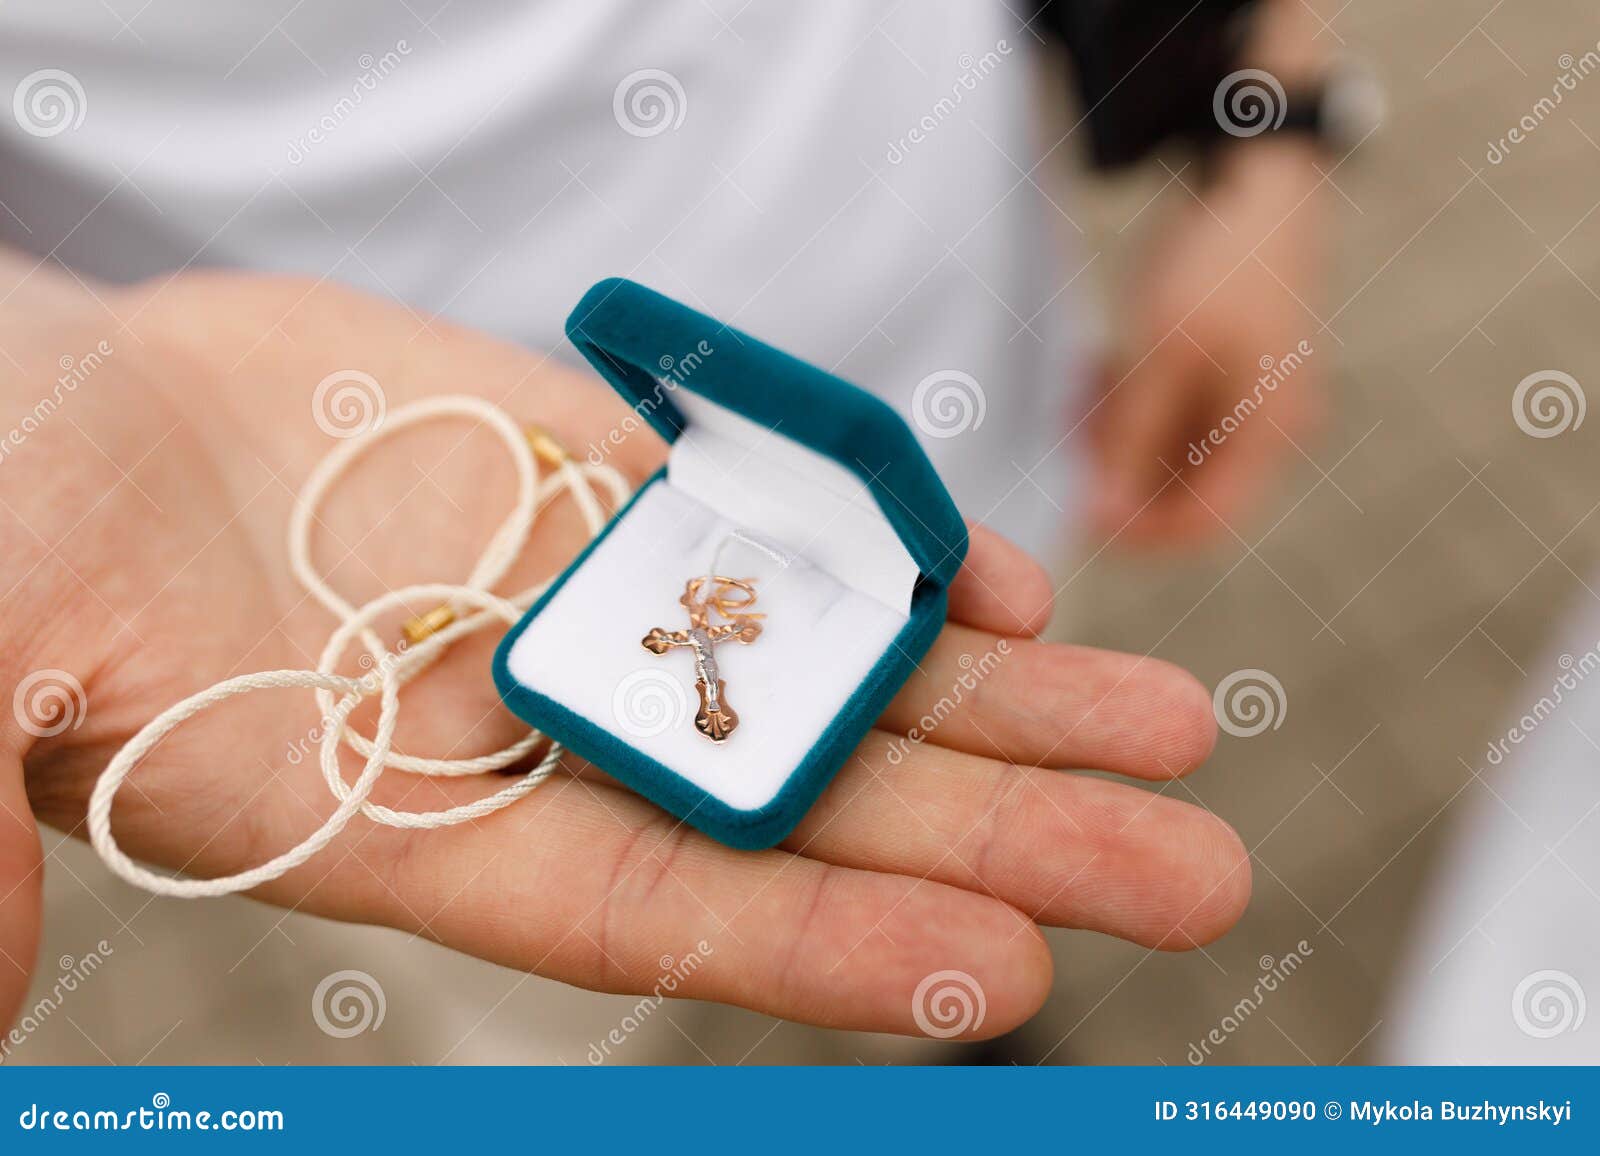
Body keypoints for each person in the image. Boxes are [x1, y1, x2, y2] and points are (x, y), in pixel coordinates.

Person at [0, 0, 1331, 1053]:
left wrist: (1266, 109)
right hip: (346, 529)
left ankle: (936, 1047)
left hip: (970, 330)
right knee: (538, 995)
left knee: (970, 831)